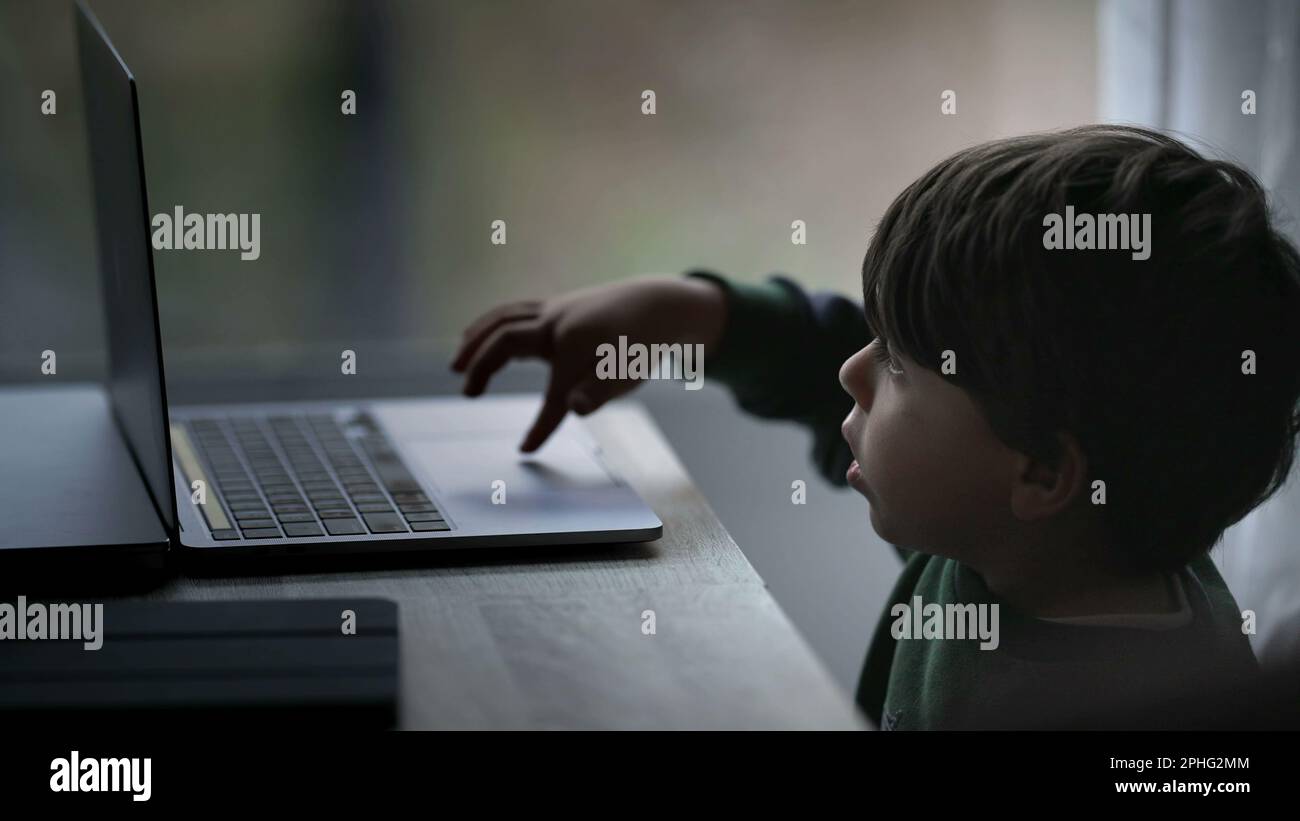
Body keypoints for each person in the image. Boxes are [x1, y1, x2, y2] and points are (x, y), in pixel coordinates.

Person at [451, 125, 1300, 729]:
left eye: (895, 364)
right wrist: (700, 317)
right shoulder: (1050, 536)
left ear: (1042, 471)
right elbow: (871, 405)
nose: (851, 372)